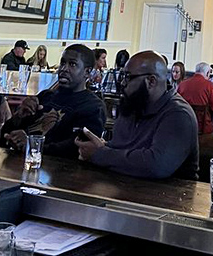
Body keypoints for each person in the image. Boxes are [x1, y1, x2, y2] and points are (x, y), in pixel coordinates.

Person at [76, 51, 198, 180]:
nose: (122, 83)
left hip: (169, 196)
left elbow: (156, 165)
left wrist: (100, 154)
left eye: (128, 77)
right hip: (124, 188)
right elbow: (119, 148)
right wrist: (100, 146)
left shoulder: (179, 115)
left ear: (151, 81)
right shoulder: (134, 104)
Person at [1, 45, 105, 158]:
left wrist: (32, 145)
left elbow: (76, 148)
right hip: (21, 163)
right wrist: (19, 117)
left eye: (72, 64)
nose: (64, 69)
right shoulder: (46, 96)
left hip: (57, 170)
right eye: (63, 63)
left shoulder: (92, 107)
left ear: (87, 72)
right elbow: (6, 132)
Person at [177, 62, 213, 135]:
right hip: (203, 128)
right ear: (208, 73)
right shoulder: (209, 85)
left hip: (183, 125)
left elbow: (176, 105)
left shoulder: (182, 84)